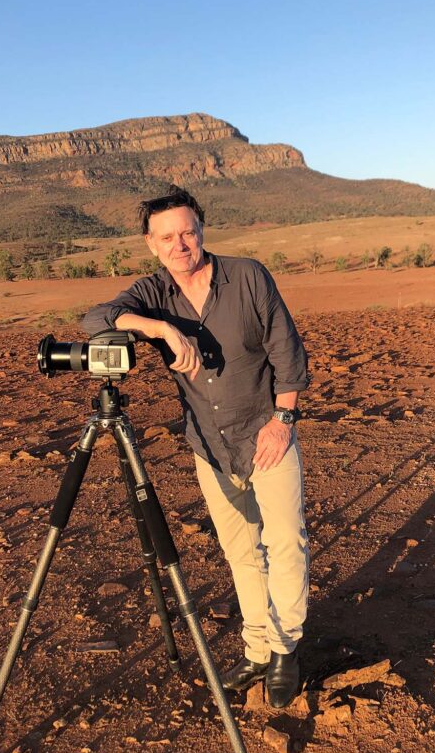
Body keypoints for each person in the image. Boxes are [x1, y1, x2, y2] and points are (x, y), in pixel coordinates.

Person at [82, 188, 310, 708]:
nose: (179, 244)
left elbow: (287, 352)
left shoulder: (247, 276)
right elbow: (95, 318)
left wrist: (283, 420)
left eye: (187, 232)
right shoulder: (153, 292)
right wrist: (156, 325)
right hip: (208, 444)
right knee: (241, 551)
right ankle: (257, 649)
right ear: (150, 244)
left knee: (286, 542)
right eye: (167, 237)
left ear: (202, 229)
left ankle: (286, 648)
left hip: (264, 432)